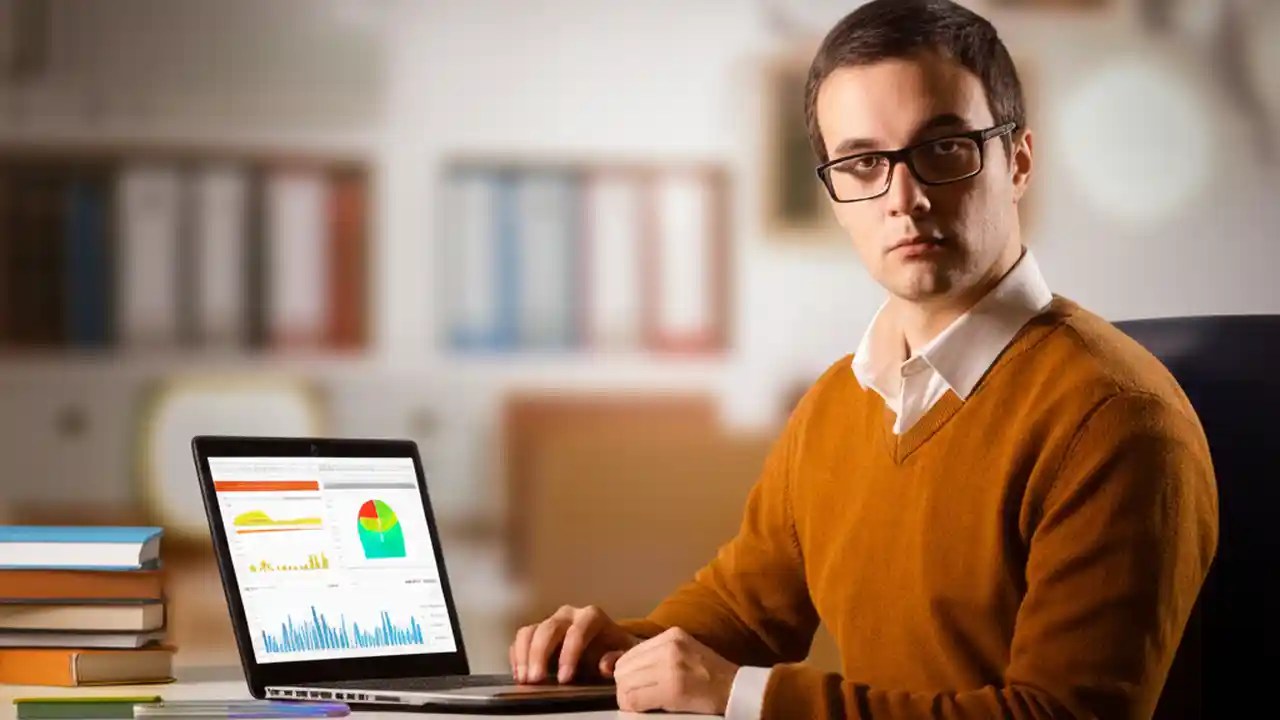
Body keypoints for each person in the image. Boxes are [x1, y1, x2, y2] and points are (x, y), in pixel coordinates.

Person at [509, 0, 1218, 717]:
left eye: (944, 148)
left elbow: (1061, 715)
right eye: (863, 162)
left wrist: (746, 697)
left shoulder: (1118, 421)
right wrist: (609, 652)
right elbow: (745, 611)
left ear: (1019, 162)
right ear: (836, 192)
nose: (903, 199)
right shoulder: (836, 403)